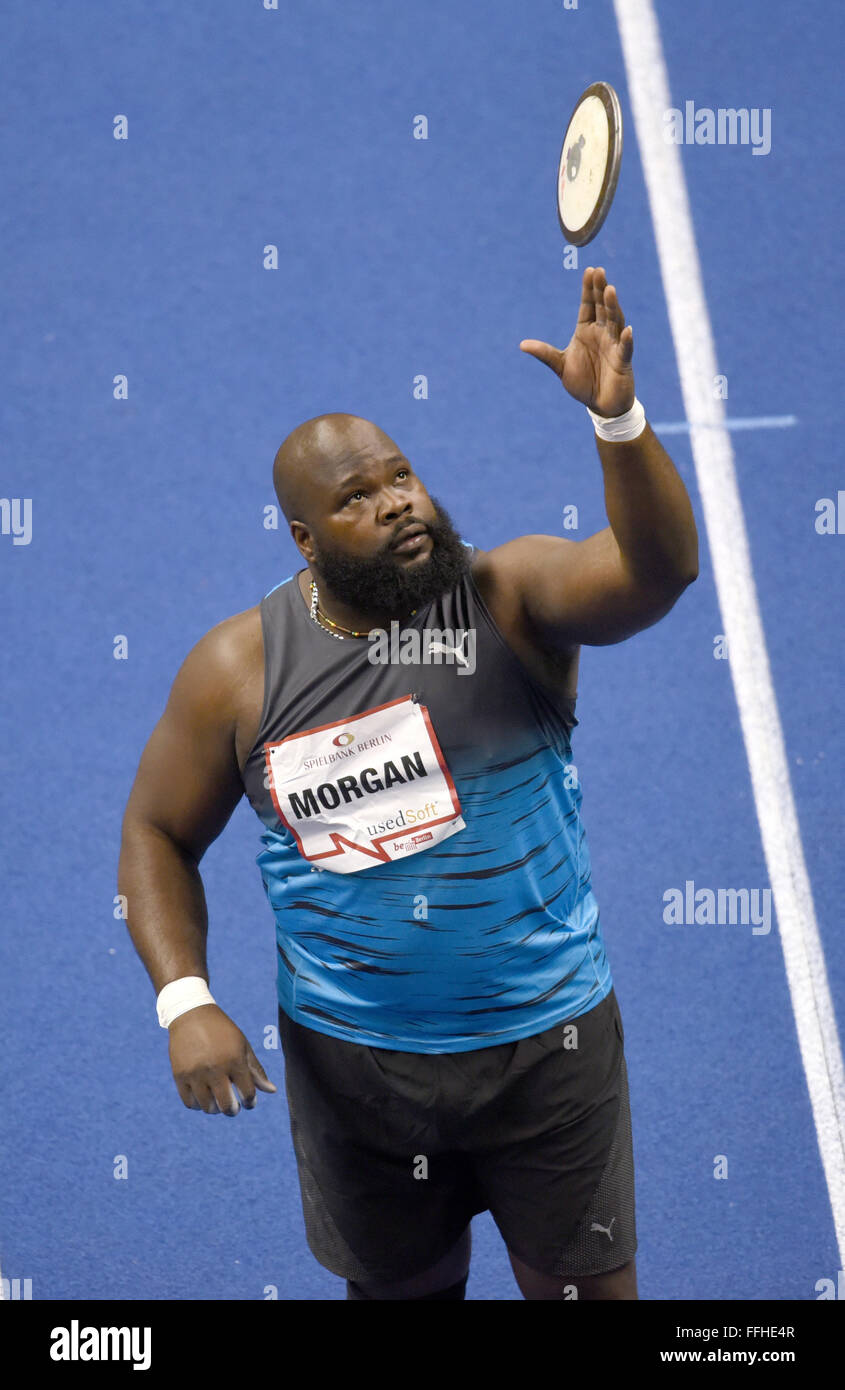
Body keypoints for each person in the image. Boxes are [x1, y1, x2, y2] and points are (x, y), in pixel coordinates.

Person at [118, 267, 698, 1300]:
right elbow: (157, 833)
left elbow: (658, 573)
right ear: (304, 540)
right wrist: (185, 1000)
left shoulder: (508, 598)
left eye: (402, 477)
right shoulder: (238, 672)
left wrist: (616, 422)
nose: (396, 503)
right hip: (355, 1065)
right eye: (357, 499)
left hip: (547, 1043)